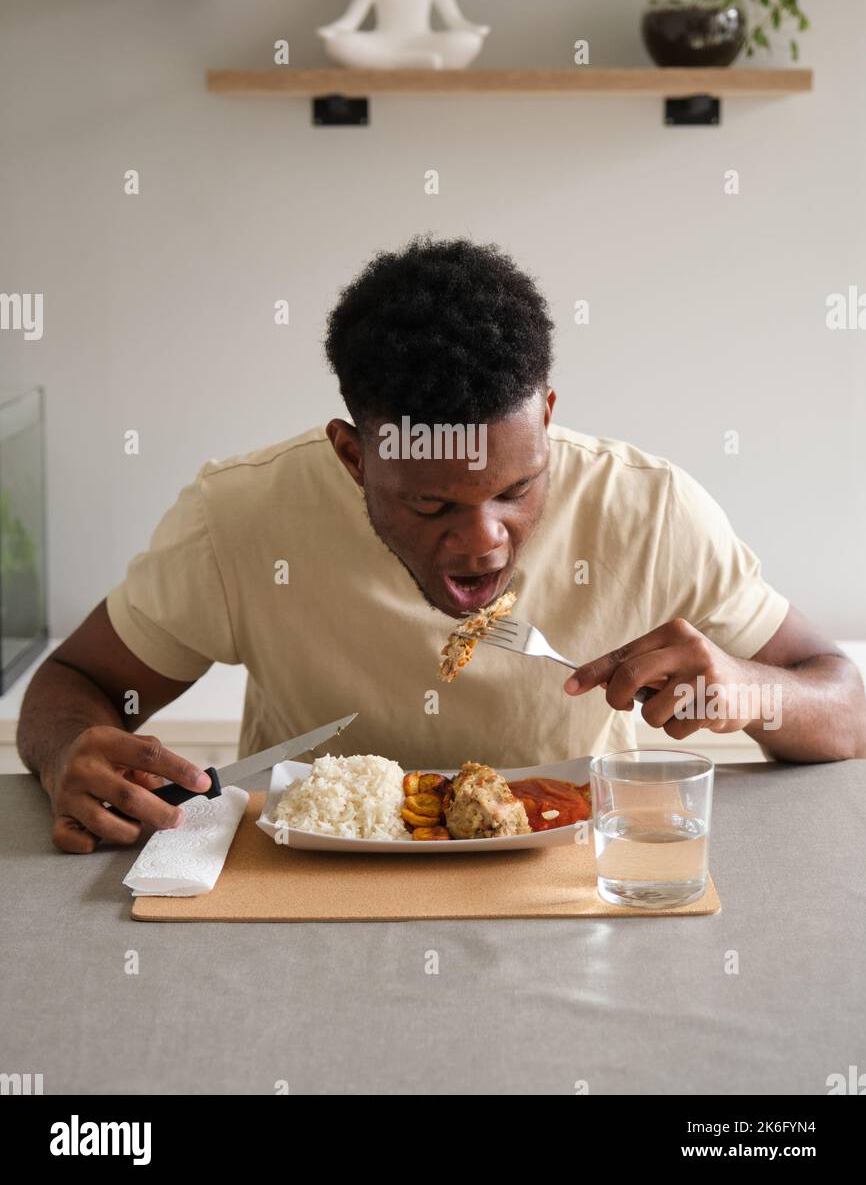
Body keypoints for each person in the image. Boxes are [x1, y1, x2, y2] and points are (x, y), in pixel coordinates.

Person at [18, 237, 866, 853]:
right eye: (430, 504)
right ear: (353, 457)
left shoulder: (651, 511)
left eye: (516, 490)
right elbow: (75, 680)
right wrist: (70, 753)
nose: (482, 545)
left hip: (569, 890)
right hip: (307, 898)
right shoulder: (239, 516)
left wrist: (750, 690)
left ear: (545, 419)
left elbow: (847, 706)